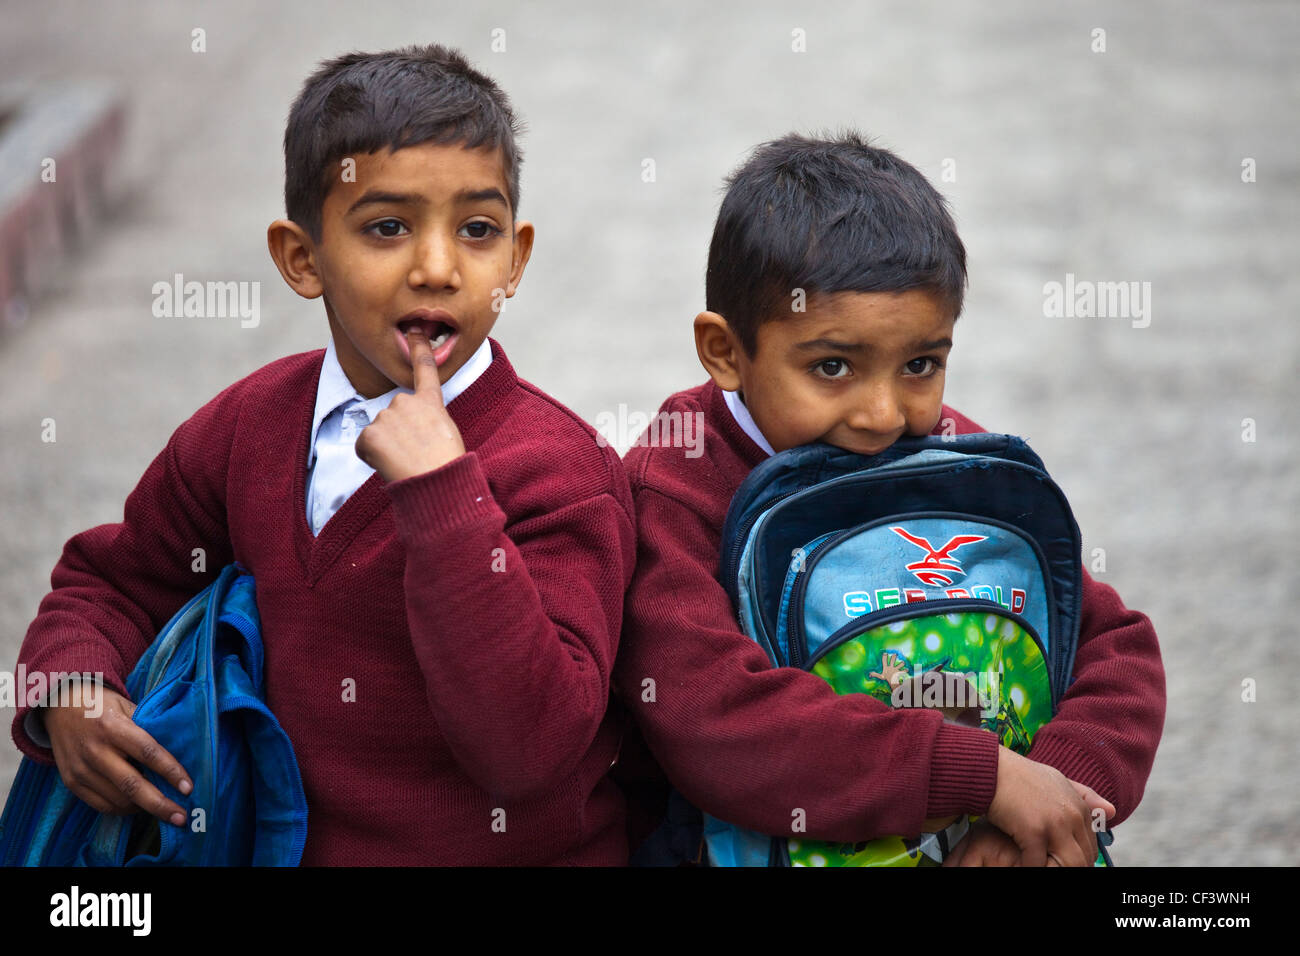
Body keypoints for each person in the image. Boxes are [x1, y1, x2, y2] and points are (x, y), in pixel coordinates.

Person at [9, 44, 636, 865]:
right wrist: (73, 686)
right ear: (302, 259)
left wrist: (446, 499)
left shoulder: (561, 471)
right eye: (387, 228)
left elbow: (530, 746)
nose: (438, 267)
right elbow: (116, 579)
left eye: (477, 231)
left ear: (513, 259)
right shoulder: (252, 425)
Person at [615, 131, 1165, 866]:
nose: (883, 415)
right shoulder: (676, 486)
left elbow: (1117, 649)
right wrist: (984, 778)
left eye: (920, 364)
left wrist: (1050, 797)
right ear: (724, 351)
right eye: (834, 365)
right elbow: (718, 721)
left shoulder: (954, 466)